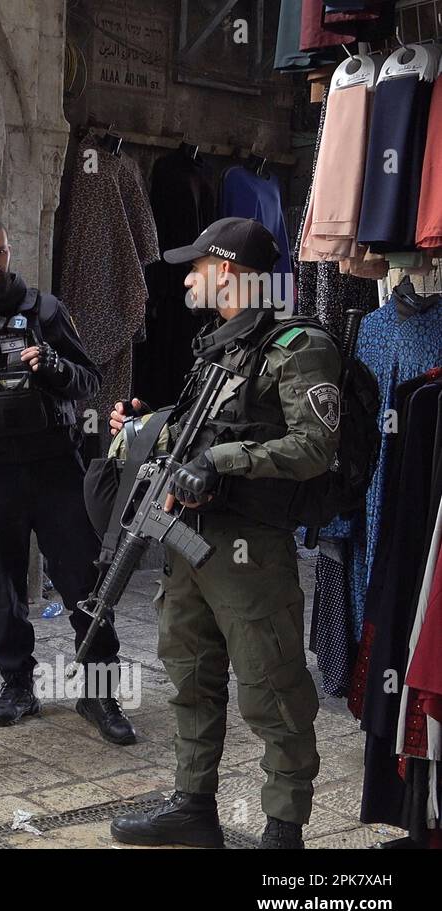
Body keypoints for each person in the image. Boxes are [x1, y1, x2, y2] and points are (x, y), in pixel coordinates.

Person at [109, 217, 340, 849]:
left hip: (250, 550)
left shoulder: (297, 345)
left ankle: (284, 828)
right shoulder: (219, 344)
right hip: (190, 541)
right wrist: (148, 422)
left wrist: (224, 463)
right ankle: (192, 804)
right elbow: (202, 430)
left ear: (229, 273)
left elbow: (316, 445)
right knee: (189, 672)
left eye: (196, 267)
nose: (187, 278)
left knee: (273, 686)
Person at [0, 215, 136, 745]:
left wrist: (55, 367)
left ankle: (99, 692)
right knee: (2, 581)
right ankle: (17, 685)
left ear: (9, 251)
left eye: (0, 252)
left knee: (84, 581)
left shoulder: (46, 311)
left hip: (56, 468)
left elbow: (90, 379)